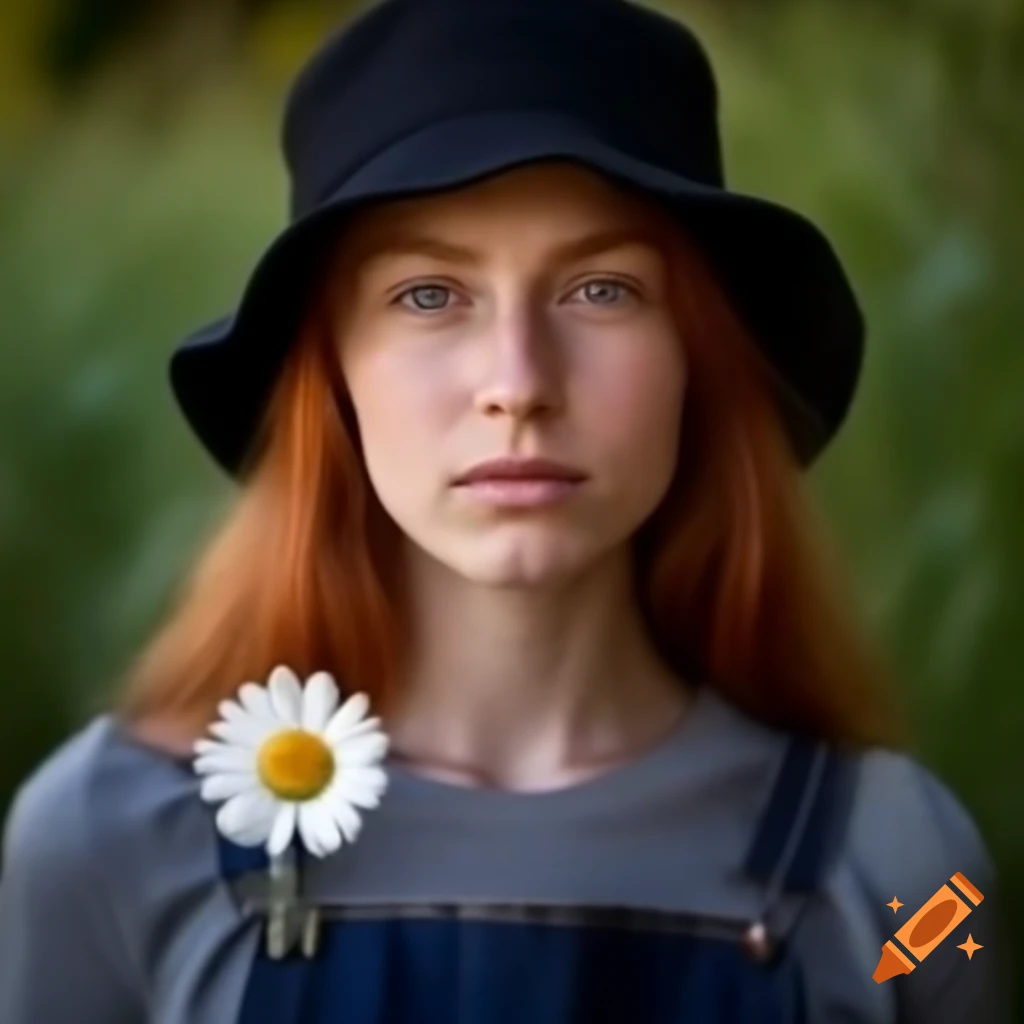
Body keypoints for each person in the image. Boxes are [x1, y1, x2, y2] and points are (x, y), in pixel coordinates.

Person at [0, 0, 1012, 1021]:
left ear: (695, 360)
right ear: (331, 377)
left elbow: (947, 965)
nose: (518, 382)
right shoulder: (105, 843)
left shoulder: (920, 880)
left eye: (602, 289)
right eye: (429, 295)